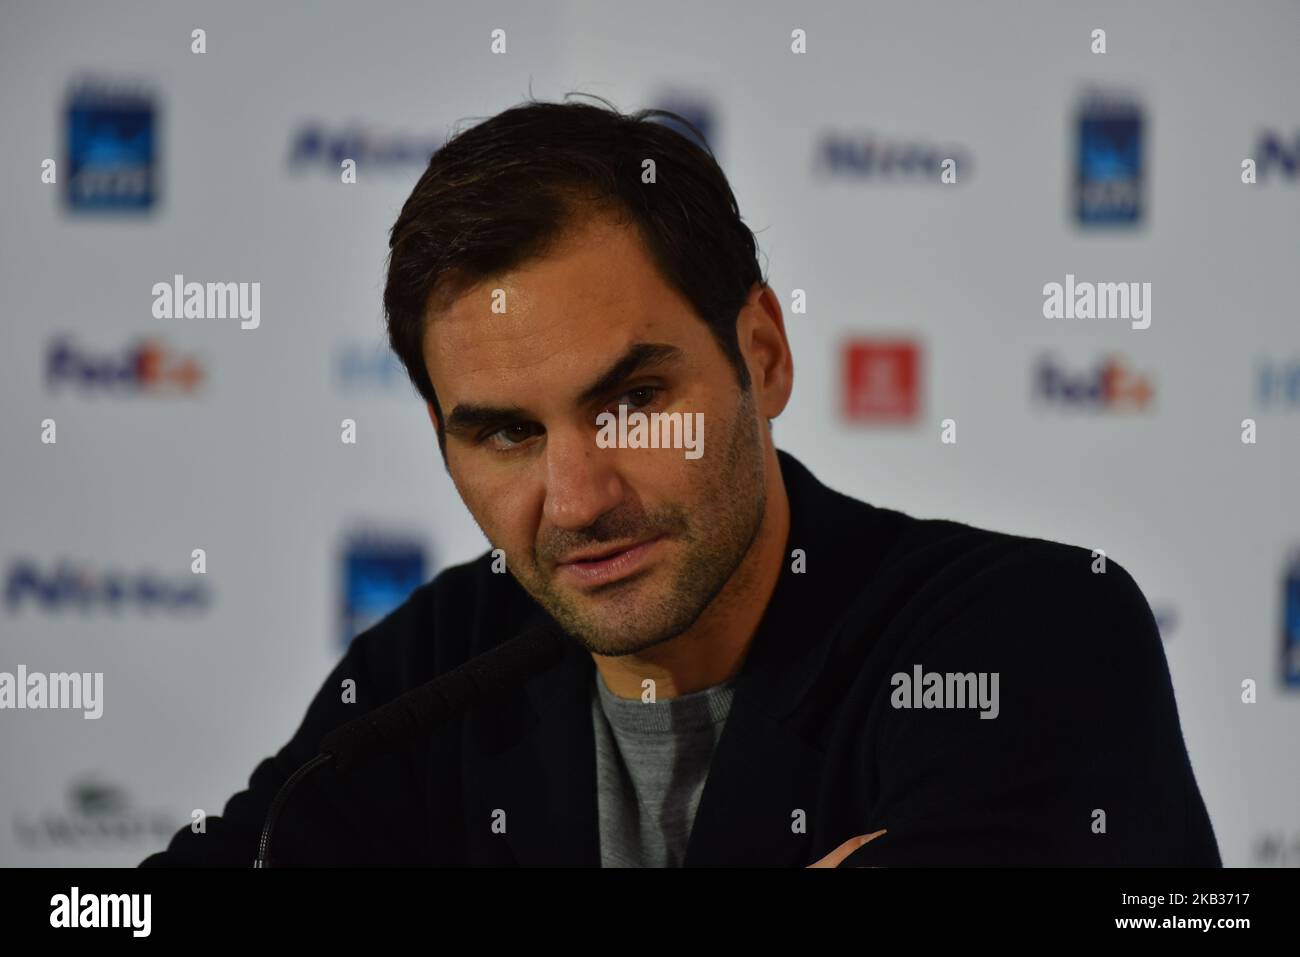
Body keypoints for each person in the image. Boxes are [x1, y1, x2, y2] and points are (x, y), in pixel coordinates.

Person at [141, 96, 1220, 867]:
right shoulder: (430, 674)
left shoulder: (1031, 634)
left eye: (631, 401)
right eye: (506, 433)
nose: (574, 499)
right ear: (439, 434)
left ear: (761, 352)